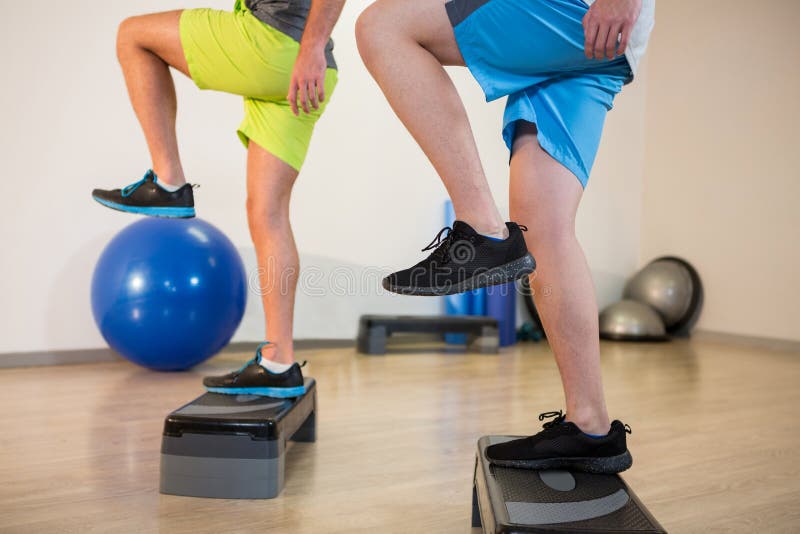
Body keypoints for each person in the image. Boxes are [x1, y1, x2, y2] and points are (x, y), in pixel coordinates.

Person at [356, 0, 654, 473]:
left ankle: (480, 230)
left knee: (383, 27)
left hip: (581, 9)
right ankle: (591, 427)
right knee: (544, 232)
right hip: (594, 41)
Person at [91, 0, 345, 398]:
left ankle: (168, 181)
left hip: (275, 46)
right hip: (307, 70)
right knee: (267, 212)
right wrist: (312, 50)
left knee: (132, 35)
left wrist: (309, 48)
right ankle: (279, 361)